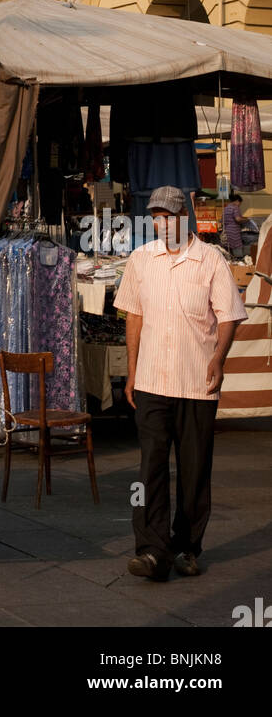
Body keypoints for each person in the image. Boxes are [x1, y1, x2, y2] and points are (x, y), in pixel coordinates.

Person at [114, 185, 248, 581]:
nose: (161, 224)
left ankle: (187, 546)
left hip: (196, 382)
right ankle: (153, 551)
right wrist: (132, 371)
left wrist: (219, 360)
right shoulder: (141, 260)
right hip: (152, 382)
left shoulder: (210, 261)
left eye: (168, 217)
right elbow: (134, 317)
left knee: (193, 469)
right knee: (151, 467)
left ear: (183, 219)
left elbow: (229, 315)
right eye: (155, 217)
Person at [222, 192, 244, 257]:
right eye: (240, 203)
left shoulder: (226, 208)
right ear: (237, 201)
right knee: (237, 248)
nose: (239, 205)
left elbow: (222, 220)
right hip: (234, 232)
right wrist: (246, 219)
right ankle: (239, 260)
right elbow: (238, 219)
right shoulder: (235, 208)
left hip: (227, 231)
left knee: (228, 250)